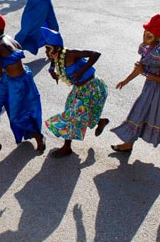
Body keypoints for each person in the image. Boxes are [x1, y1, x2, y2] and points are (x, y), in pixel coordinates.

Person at [110, 14, 160, 158]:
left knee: (145, 114)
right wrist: (126, 80)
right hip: (151, 88)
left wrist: (146, 73)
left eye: (149, 34)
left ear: (157, 36)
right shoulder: (146, 48)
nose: (145, 36)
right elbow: (140, 68)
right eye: (145, 33)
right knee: (148, 115)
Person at [0, 10, 45, 153]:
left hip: (17, 82)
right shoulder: (8, 38)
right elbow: (18, 50)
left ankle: (39, 137)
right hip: (14, 77)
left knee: (17, 117)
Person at [41, 27, 109, 158]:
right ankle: (100, 121)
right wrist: (51, 70)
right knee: (75, 114)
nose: (46, 52)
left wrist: (82, 71)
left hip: (93, 88)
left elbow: (95, 54)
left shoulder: (71, 54)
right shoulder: (56, 56)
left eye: (48, 48)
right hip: (78, 89)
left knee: (72, 116)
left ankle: (66, 147)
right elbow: (53, 62)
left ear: (57, 48)